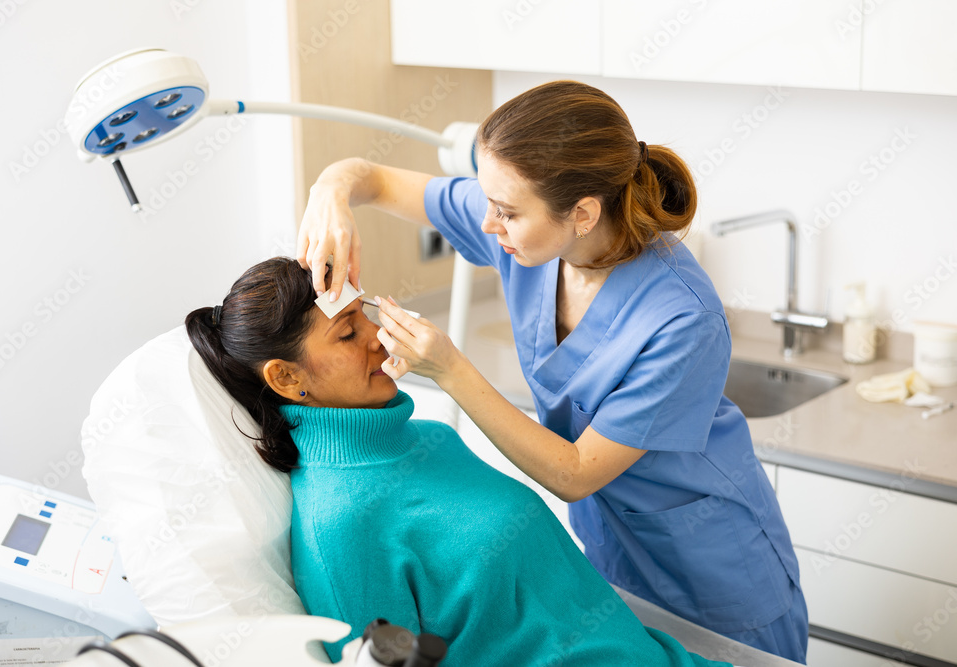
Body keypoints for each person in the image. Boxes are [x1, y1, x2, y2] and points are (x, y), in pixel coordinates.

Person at [295, 80, 808, 663]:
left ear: (583, 213)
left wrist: (450, 369)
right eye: (489, 201)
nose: (488, 224)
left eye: (507, 212)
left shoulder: (681, 317)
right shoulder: (532, 242)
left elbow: (575, 473)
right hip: (612, 554)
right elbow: (376, 179)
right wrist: (330, 192)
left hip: (715, 574)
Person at [185, 257, 733, 667]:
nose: (378, 337)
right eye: (348, 333)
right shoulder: (341, 524)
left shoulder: (428, 439)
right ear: (286, 378)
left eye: (363, 315)